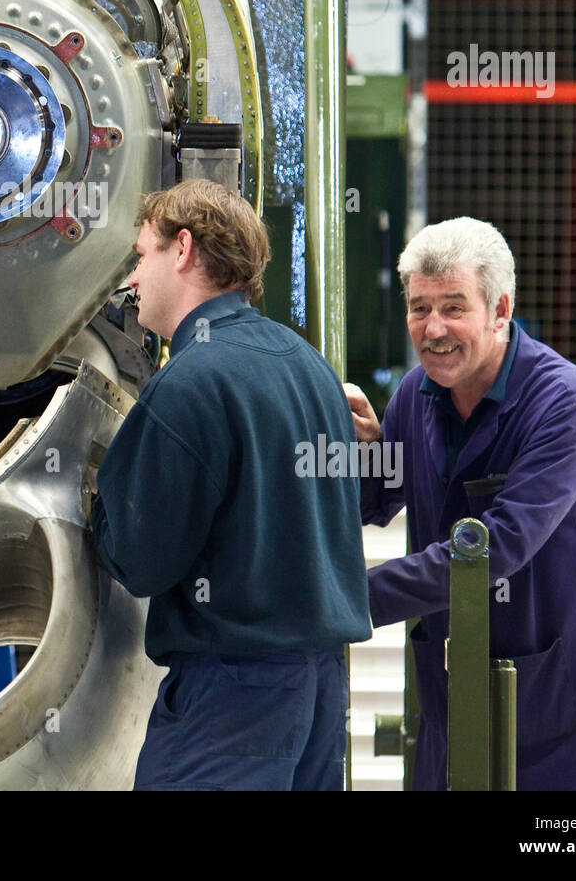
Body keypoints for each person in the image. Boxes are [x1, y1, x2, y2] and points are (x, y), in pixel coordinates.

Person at [345, 216, 576, 791]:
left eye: (454, 307)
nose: (433, 328)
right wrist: (340, 449)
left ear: (501, 310)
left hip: (564, 702)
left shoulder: (563, 402)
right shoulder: (416, 394)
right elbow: (376, 498)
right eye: (419, 308)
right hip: (454, 696)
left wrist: (344, 601)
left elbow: (495, 549)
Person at [90, 179, 371, 791]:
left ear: (183, 249)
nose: (133, 278)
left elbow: (139, 562)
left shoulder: (191, 381)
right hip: (319, 692)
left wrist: (93, 497)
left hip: (231, 704)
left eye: (142, 256)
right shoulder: (308, 365)